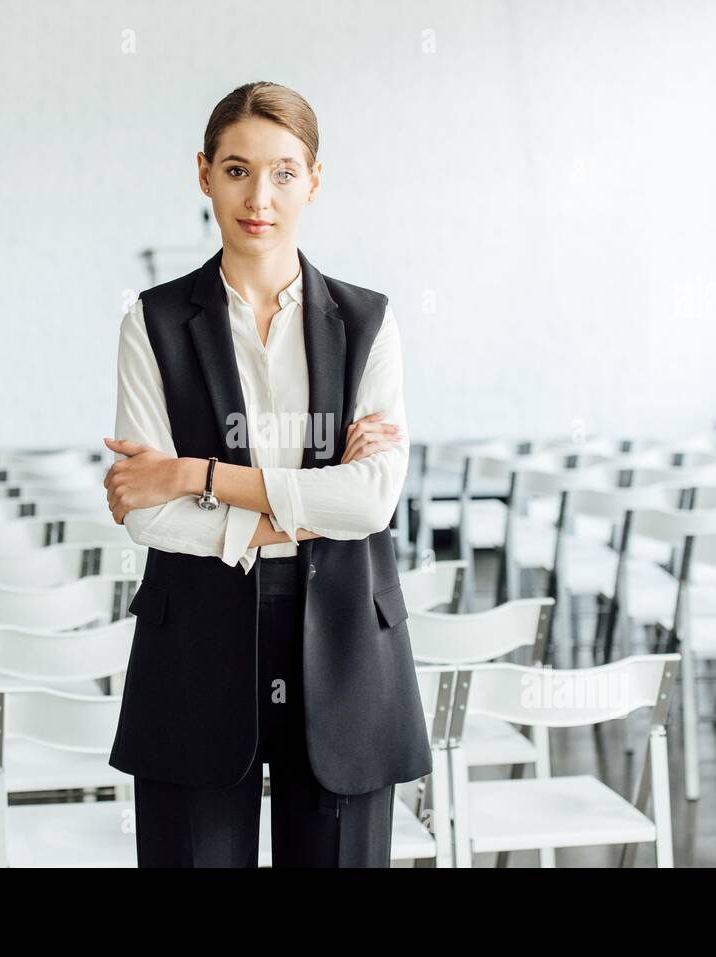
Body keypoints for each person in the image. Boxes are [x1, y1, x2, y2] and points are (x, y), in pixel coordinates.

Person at [102, 81, 432, 867]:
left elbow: (372, 501)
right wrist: (306, 507)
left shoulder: (369, 321)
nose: (261, 196)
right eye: (239, 169)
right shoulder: (151, 321)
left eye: (284, 172)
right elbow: (146, 514)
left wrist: (195, 473)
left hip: (348, 639)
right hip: (196, 640)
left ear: (314, 180)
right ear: (205, 174)